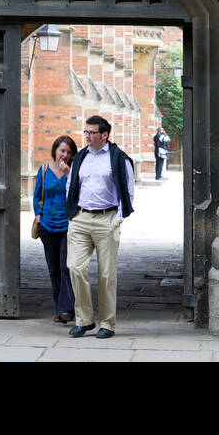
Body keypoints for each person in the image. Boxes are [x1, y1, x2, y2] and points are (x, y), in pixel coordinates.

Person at [64, 115, 135, 340]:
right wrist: (72, 215)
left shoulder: (119, 158)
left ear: (104, 135)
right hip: (80, 218)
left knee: (106, 274)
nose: (87, 136)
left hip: (107, 219)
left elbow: (129, 191)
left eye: (92, 132)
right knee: (75, 267)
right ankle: (84, 320)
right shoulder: (79, 158)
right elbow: (70, 185)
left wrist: (118, 219)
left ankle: (107, 323)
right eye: (85, 132)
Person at [33, 134, 77, 324]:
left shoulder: (74, 171)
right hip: (47, 225)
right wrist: (38, 214)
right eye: (62, 151)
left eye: (68, 152)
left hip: (67, 224)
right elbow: (36, 196)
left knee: (66, 267)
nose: (65, 155)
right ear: (55, 150)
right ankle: (59, 309)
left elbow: (78, 194)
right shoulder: (44, 170)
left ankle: (67, 309)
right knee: (53, 270)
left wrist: (68, 174)